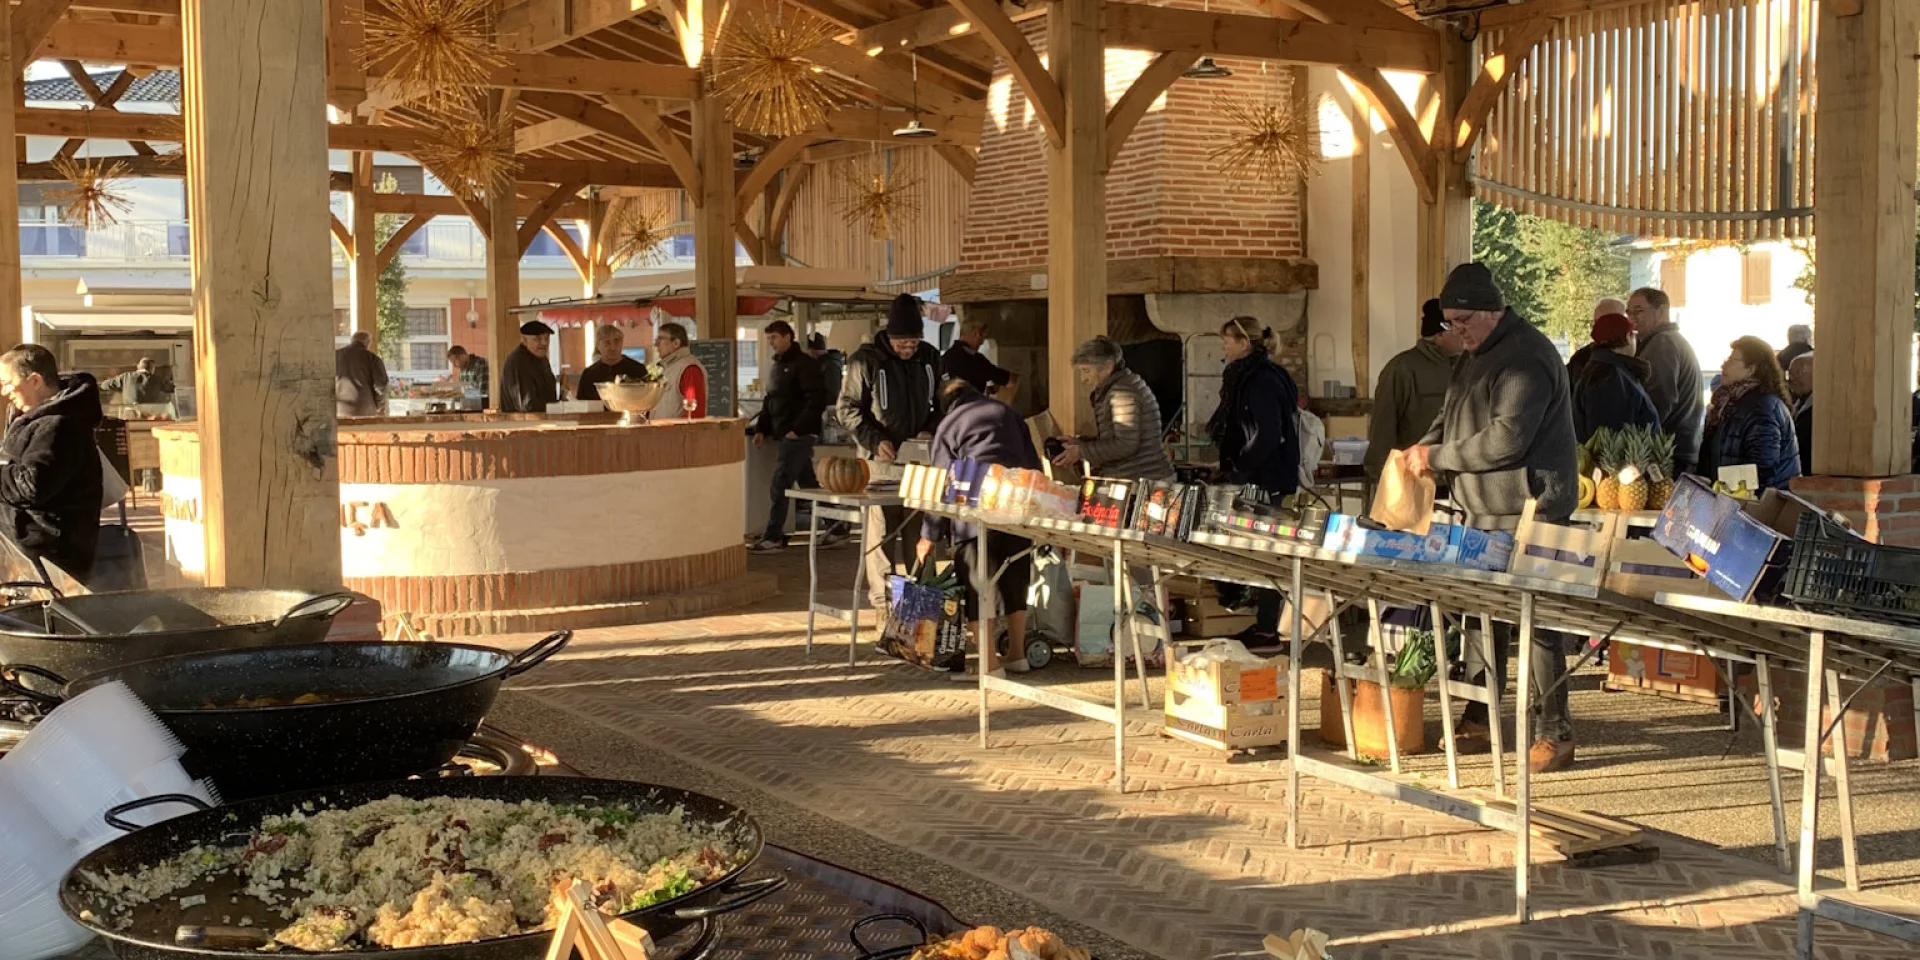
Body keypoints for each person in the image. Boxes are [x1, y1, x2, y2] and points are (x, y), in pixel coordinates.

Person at [1405, 262, 1581, 773]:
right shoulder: (1472, 355)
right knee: (1481, 616)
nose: (1456, 332)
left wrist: (1438, 458)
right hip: (1482, 510)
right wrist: (1420, 448)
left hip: (1534, 509)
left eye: (1462, 321)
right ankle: (1481, 717)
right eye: (1450, 323)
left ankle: (1555, 732)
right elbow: (1450, 416)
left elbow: (1508, 440)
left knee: (1537, 624)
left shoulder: (1527, 357)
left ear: (1492, 312)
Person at [917, 379, 1042, 681]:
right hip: (1016, 504)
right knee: (1014, 581)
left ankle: (989, 665)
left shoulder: (950, 424)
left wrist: (928, 535)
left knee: (977, 587)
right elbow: (1034, 464)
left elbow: (941, 483)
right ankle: (1017, 655)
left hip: (975, 510)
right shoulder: (1008, 413)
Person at [837, 293, 943, 610]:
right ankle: (884, 604)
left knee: (919, 533)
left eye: (913, 343)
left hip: (920, 464)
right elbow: (847, 408)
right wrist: (874, 440)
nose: (907, 350)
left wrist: (931, 428)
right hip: (879, 466)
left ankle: (921, 602)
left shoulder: (930, 357)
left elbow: (945, 402)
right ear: (890, 336)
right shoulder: (866, 360)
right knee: (881, 534)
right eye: (902, 344)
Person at [1209, 316, 1301, 646]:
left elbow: (1267, 434)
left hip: (1265, 477)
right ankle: (1263, 624)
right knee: (1259, 549)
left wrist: (1240, 465)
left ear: (1244, 343)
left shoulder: (1261, 380)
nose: (1224, 348)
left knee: (1264, 550)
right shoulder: (1251, 376)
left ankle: (1266, 627)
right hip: (1259, 474)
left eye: (1227, 341)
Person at [0, 345, 103, 584]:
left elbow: (32, 484)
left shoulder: (60, 425)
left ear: (35, 381)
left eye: (7, 383)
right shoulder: (30, 418)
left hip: (51, 558)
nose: (4, 392)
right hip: (27, 552)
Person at [749, 320, 830, 552]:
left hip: (796, 434)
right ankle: (837, 526)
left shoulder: (804, 365)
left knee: (781, 484)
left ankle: (774, 535)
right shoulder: (778, 365)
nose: (771, 343)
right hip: (787, 432)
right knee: (808, 484)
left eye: (774, 338)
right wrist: (762, 428)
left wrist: (798, 428)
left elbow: (816, 399)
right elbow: (771, 399)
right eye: (769, 339)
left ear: (787, 337)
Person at [1051, 336, 1175, 481]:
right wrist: (1081, 443)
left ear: (1109, 366)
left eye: (1086, 370)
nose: (1083, 378)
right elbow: (1116, 439)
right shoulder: (1122, 386)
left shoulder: (1123, 394)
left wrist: (1081, 451)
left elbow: (1125, 445)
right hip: (1142, 477)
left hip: (1143, 480)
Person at [1365, 299, 1462, 481]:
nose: (1464, 332)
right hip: (1416, 479)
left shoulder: (1468, 368)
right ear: (1440, 333)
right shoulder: (1402, 369)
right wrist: (1382, 477)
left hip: (1459, 482)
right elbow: (1382, 429)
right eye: (1458, 327)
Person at [1699, 336, 1800, 491]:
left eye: (1732, 360)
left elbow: (1761, 467)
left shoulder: (1762, 407)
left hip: (1757, 502)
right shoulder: (1731, 402)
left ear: (1752, 369)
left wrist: (1725, 491)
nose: (1723, 365)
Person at [1626, 287, 1705, 476]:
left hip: (1671, 455)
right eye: (1628, 313)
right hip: (1679, 449)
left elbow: (1659, 399)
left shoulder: (1662, 343)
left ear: (1661, 311)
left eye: (1639, 311)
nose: (1632, 319)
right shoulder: (1670, 340)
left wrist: (1639, 438)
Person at [1569, 310, 1659, 442]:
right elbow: (1611, 439)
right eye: (1633, 334)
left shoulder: (1607, 371)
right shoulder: (1609, 377)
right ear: (1627, 337)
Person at [941, 314, 1017, 399]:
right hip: (970, 405)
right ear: (976, 334)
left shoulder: (945, 358)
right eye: (984, 337)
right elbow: (1010, 381)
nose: (982, 342)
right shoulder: (973, 359)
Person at [575, 325, 649, 403]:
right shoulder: (589, 374)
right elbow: (581, 404)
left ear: (622, 343)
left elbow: (647, 400)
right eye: (607, 343)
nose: (613, 347)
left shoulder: (638, 370)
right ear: (598, 346)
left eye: (616, 341)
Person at [500, 320, 559, 413]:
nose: (544, 343)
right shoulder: (519, 362)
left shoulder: (542, 360)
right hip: (525, 421)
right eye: (538, 339)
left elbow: (550, 397)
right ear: (524, 340)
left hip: (546, 419)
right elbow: (527, 405)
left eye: (547, 338)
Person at [652, 322, 708, 419]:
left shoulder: (689, 368)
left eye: (660, 339)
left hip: (676, 430)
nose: (656, 344)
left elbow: (694, 414)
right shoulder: (667, 369)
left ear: (676, 343)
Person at [333, 331, 389, 418]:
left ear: (352, 341)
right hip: (365, 409)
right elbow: (381, 385)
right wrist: (379, 404)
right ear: (367, 342)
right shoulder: (372, 358)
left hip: (338, 408)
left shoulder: (335, 356)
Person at [1788, 353, 1814, 476]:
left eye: (1798, 372)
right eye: (1790, 373)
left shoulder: (1822, 409)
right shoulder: (1797, 404)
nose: (1792, 378)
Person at [100, 358, 169, 406]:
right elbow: (171, 388)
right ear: (152, 369)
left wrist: (123, 388)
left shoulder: (126, 376)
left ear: (138, 366)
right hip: (150, 414)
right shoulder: (158, 380)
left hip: (131, 413)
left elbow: (104, 385)